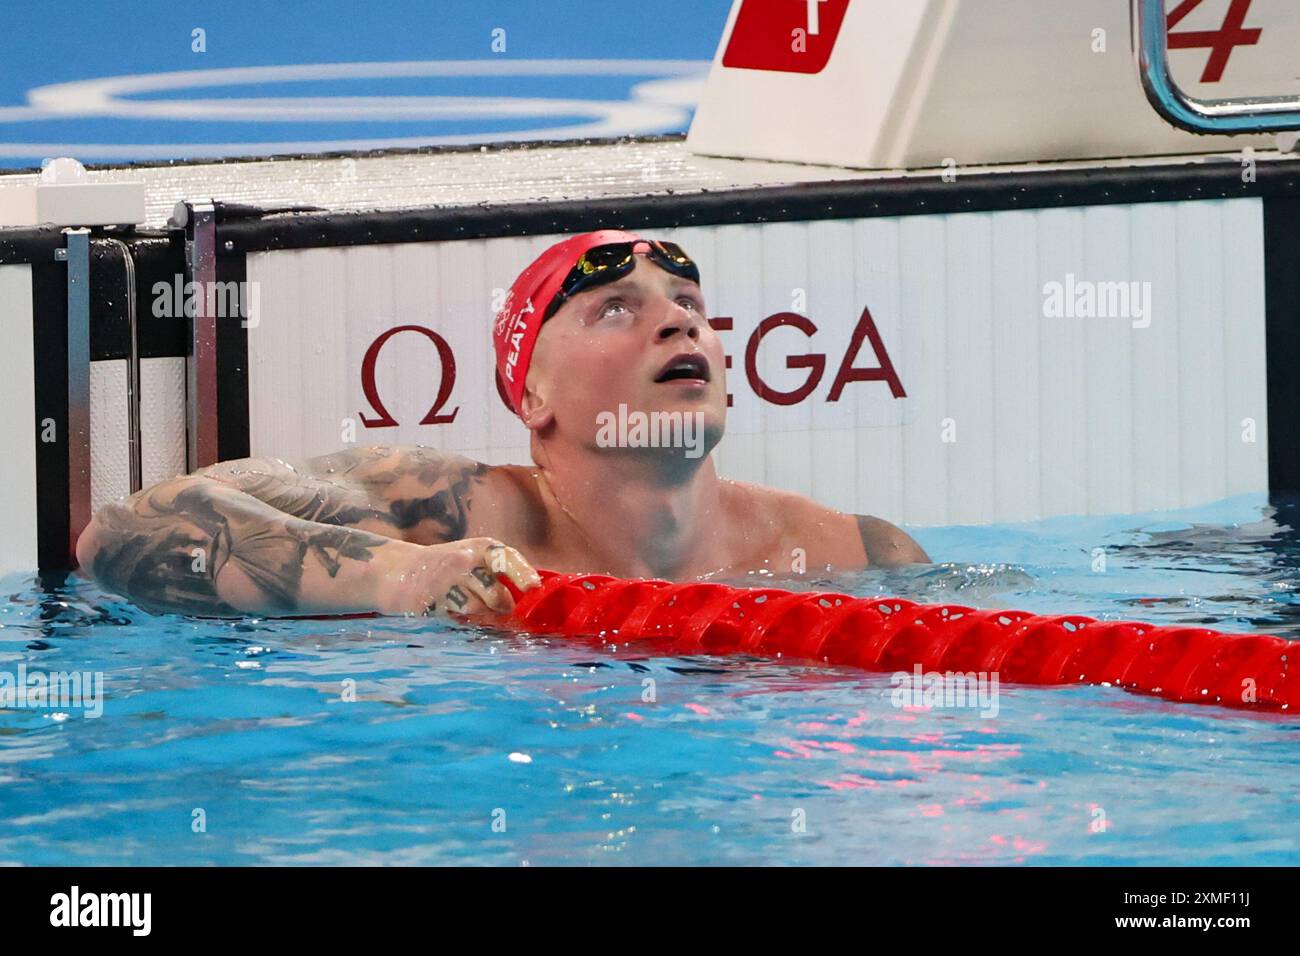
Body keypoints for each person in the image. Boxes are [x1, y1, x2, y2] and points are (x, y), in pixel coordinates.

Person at [75, 230, 928, 619]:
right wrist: (398, 578)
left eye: (690, 305)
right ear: (532, 398)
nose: (679, 325)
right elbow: (117, 536)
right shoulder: (449, 511)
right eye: (614, 310)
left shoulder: (858, 555)